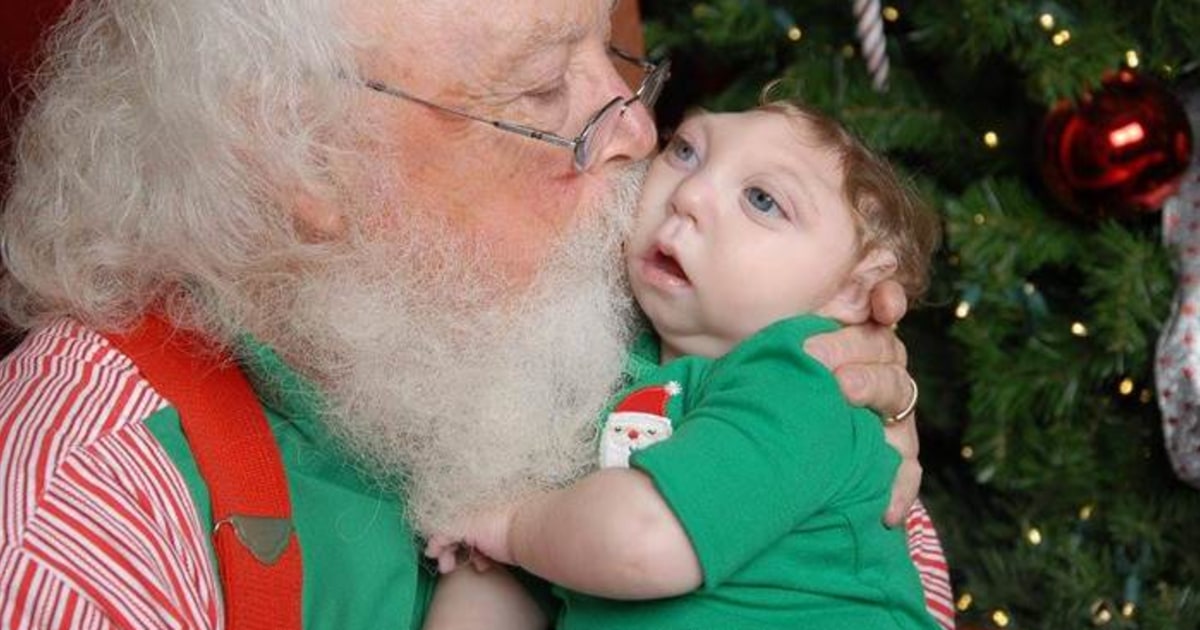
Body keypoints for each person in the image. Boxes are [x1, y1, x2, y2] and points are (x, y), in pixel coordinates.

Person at [0, 1, 931, 628]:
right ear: (304, 156)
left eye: (608, 51)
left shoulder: (648, 303)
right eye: (543, 90)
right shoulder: (83, 515)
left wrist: (863, 421)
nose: (642, 133)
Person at [424, 100, 947, 629]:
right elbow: (519, 573)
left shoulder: (809, 377)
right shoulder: (604, 365)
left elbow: (639, 542)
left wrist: (514, 526)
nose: (688, 195)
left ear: (854, 288)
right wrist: (497, 542)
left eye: (762, 200)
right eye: (685, 151)